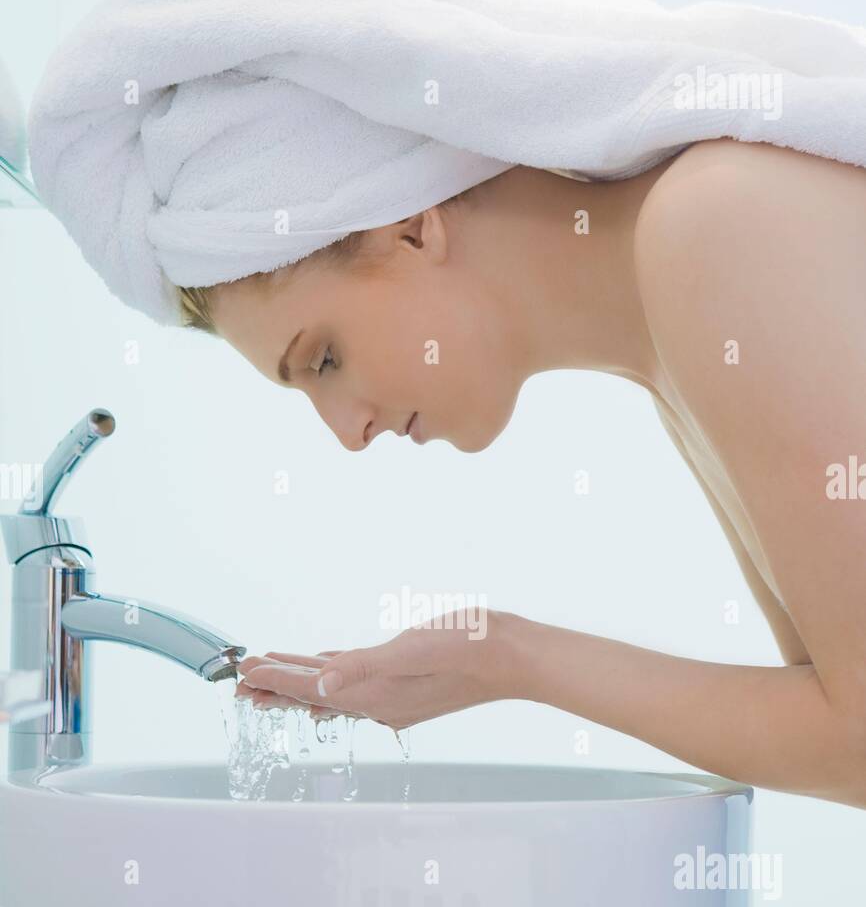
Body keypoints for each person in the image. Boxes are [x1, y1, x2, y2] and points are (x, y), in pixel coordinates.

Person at [183, 138, 866, 808]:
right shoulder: (672, 353)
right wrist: (503, 657)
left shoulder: (713, 220)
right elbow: (849, 750)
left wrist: (514, 659)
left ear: (411, 229)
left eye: (325, 359)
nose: (347, 434)